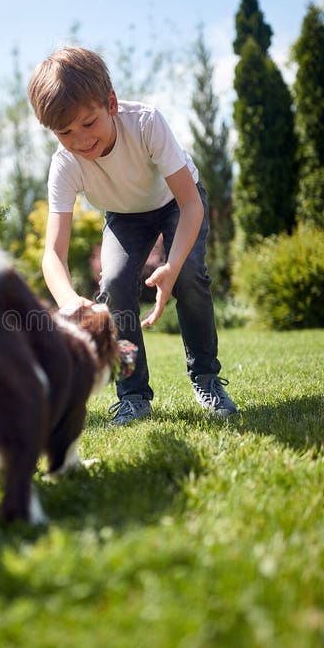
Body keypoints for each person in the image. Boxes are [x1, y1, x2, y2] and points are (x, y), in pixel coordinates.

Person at [27, 46, 237, 424]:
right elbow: (52, 255)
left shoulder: (145, 123)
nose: (80, 140)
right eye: (64, 132)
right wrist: (69, 301)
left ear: (110, 103)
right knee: (116, 283)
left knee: (188, 273)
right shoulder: (65, 165)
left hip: (177, 201)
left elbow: (191, 205)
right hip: (125, 216)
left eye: (88, 123)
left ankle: (206, 377)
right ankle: (133, 394)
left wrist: (172, 266)